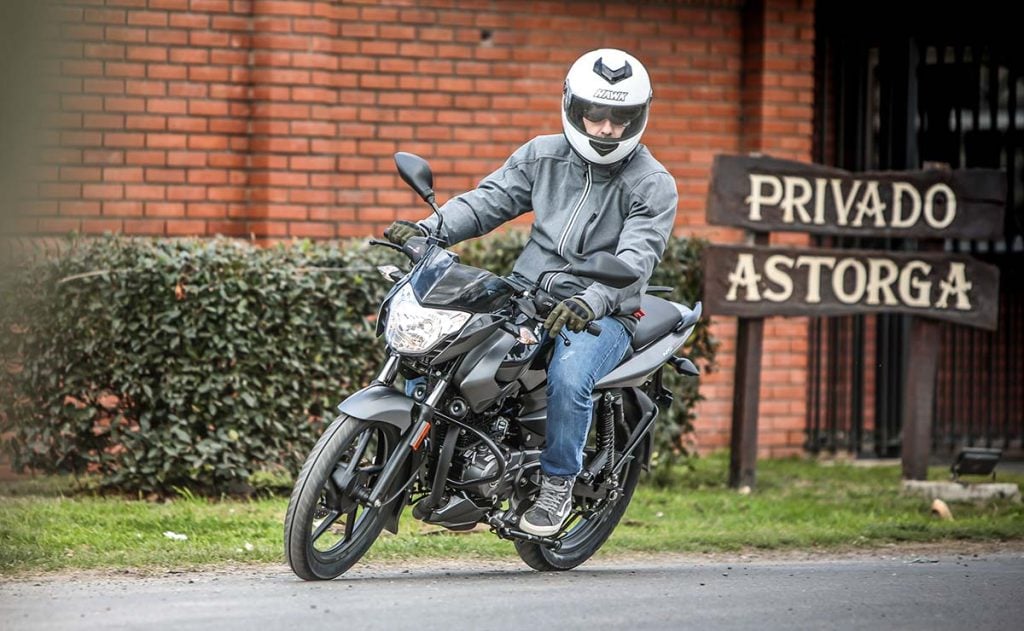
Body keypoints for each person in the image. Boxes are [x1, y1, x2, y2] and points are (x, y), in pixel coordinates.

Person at [384, 49, 678, 537]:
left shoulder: (651, 183)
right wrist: (429, 230)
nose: (606, 129)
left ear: (639, 117)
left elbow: (637, 257)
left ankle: (557, 484)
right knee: (449, 344)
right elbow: (487, 202)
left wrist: (594, 299)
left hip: (599, 311)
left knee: (570, 373)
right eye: (596, 115)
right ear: (572, 106)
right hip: (528, 290)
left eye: (621, 118)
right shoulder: (543, 154)